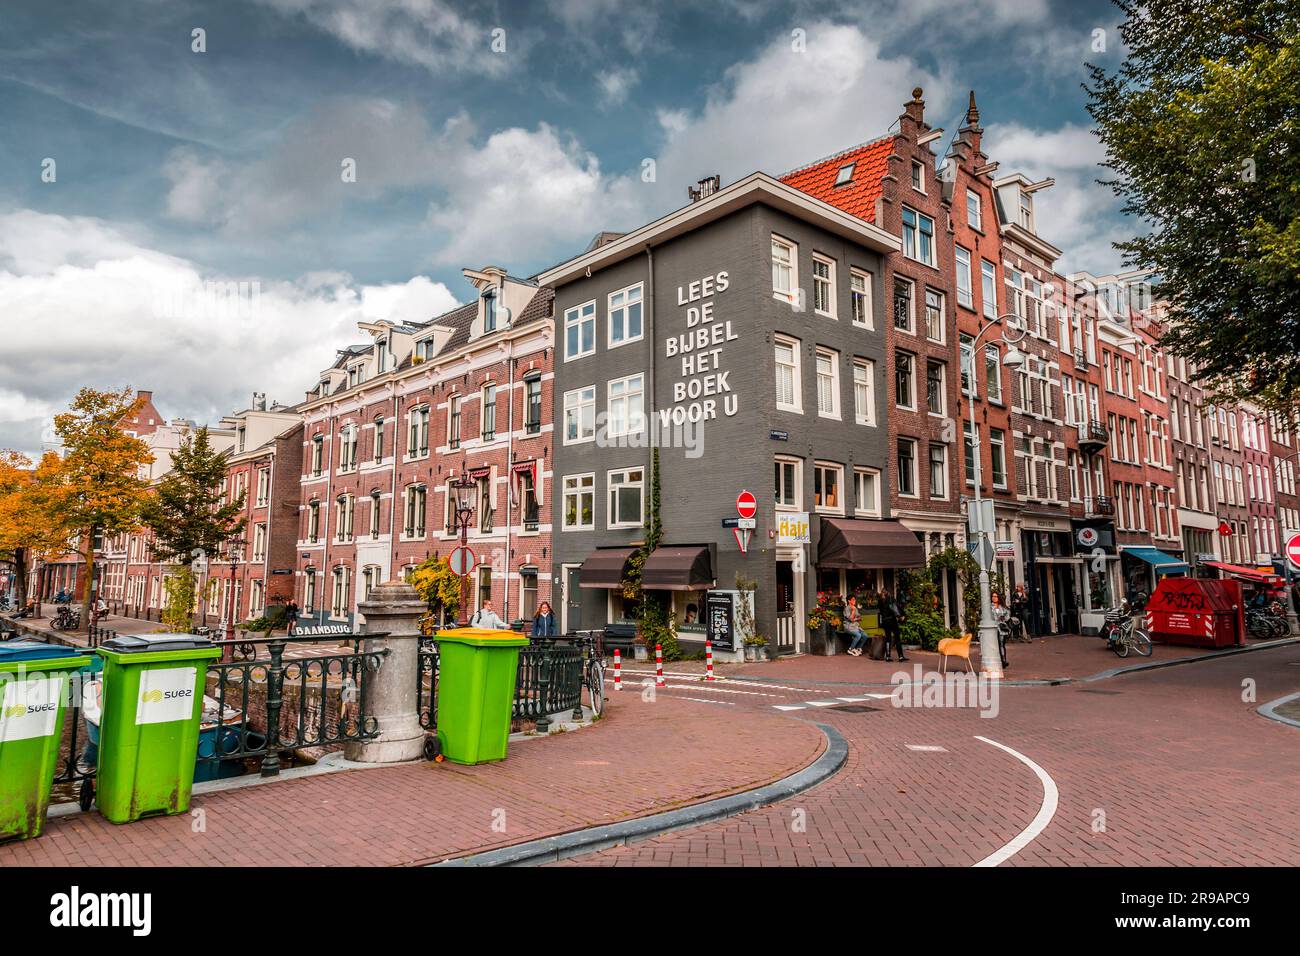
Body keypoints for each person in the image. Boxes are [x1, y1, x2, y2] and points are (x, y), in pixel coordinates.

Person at [77, 656, 104, 775]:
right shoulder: (99, 680)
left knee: (91, 760)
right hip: (99, 723)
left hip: (96, 725)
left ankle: (90, 777)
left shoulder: (92, 683)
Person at [878, 589, 907, 662]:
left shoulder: (880, 601)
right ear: (888, 593)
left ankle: (888, 656)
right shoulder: (891, 599)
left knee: (888, 638)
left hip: (885, 621)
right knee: (897, 637)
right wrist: (902, 615)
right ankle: (900, 656)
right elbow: (896, 608)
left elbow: (881, 611)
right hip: (892, 620)